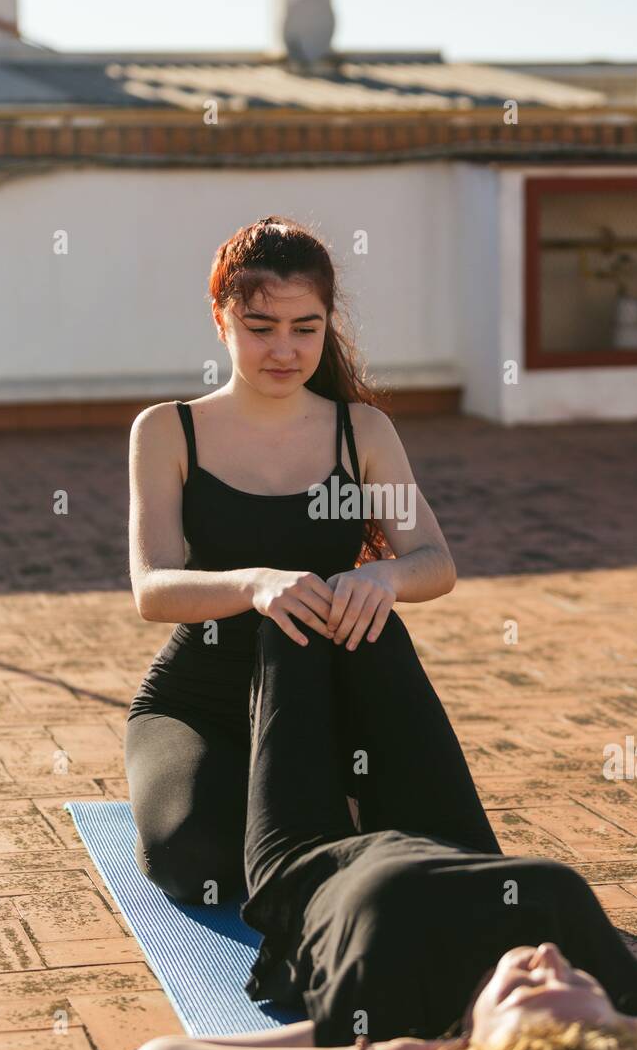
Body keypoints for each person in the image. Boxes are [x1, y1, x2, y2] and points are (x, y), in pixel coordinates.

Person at [109, 613, 637, 1050]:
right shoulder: (627, 1021)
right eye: (575, 980)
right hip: (450, 837)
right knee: (367, 618)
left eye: (530, 987)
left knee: (291, 627)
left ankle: (183, 715)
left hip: (308, 854)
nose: (551, 961)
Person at [125, 214, 496, 906]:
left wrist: (383, 574)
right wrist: (254, 583)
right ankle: (333, 816)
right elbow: (153, 589)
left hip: (322, 699)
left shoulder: (363, 433)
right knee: (194, 862)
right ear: (221, 321)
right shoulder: (168, 431)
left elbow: (434, 562)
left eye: (307, 327)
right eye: (262, 327)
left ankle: (340, 813)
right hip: (201, 704)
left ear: (328, 324)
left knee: (429, 842)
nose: (285, 350)